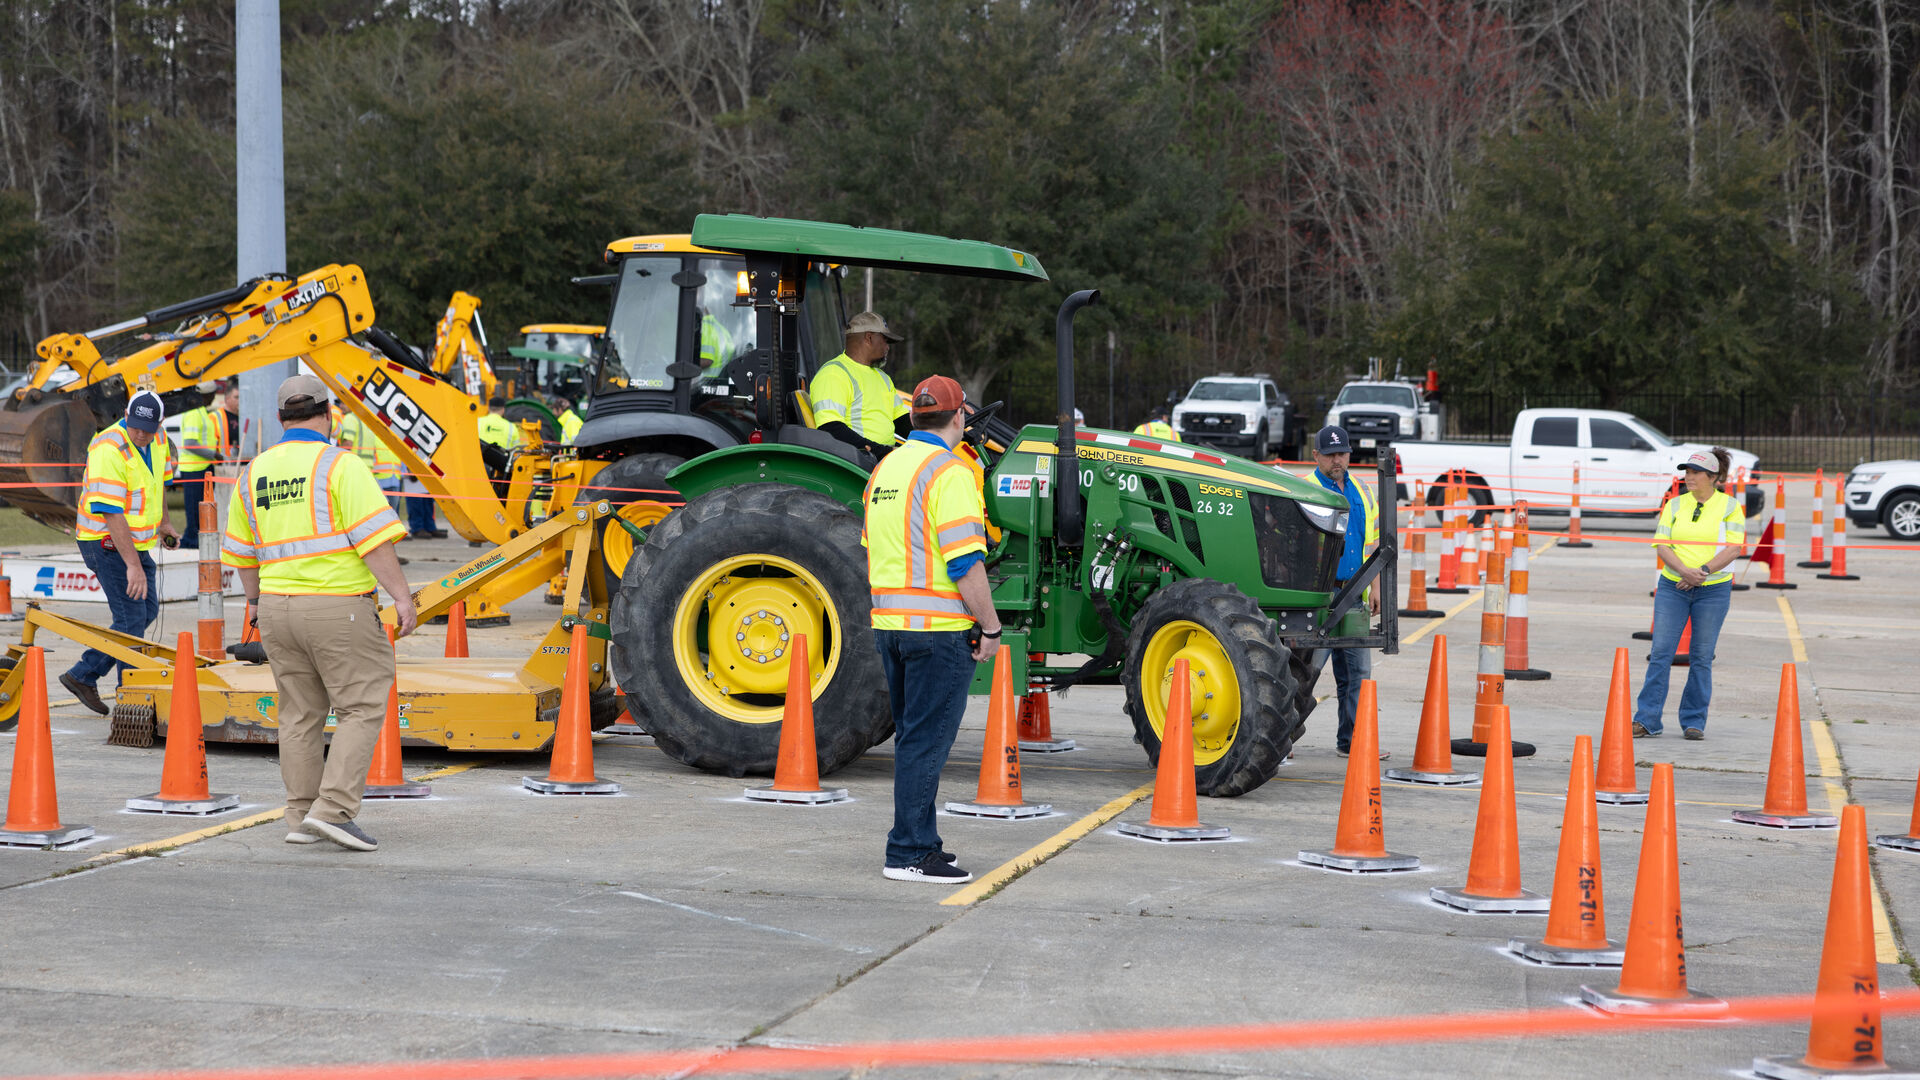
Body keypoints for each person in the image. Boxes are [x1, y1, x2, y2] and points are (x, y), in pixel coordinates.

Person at [221, 375, 417, 852]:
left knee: (300, 714)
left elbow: (244, 555)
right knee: (363, 705)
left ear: (281, 418)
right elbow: (373, 541)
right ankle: (333, 811)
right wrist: (403, 597)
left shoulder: (253, 472)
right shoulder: (340, 466)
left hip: (274, 608)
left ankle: (300, 815)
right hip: (337, 607)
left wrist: (254, 604)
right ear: (327, 414)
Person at [863, 374, 999, 884]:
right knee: (926, 743)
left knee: (914, 741)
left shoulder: (885, 470)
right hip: (938, 631)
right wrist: (990, 625)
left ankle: (924, 844)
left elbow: (876, 548)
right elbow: (966, 561)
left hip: (891, 628)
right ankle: (908, 854)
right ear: (959, 416)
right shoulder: (951, 472)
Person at [59, 391, 177, 715]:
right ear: (126, 414)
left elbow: (159, 483)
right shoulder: (108, 447)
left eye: (148, 429)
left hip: (133, 544)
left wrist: (164, 523)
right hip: (104, 541)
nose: (141, 434)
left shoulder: (159, 439)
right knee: (132, 619)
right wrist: (133, 566)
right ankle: (132, 704)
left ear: (160, 423)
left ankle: (83, 674)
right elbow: (111, 513)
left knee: (145, 612)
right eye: (136, 426)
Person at [1633, 448, 1744, 740]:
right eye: (1687, 472)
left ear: (1712, 477)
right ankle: (1647, 720)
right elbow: (1662, 544)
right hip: (1674, 586)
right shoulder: (1674, 505)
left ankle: (1694, 721)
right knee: (1660, 654)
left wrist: (1702, 572)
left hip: (1713, 589)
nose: (1688, 477)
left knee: (1701, 657)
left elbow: (1734, 547)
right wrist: (1685, 571)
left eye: (1695, 473)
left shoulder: (1731, 507)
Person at [1308, 425, 1384, 759]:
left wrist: (1376, 586)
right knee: (1305, 671)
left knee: (1358, 673)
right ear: (1316, 456)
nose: (1337, 460)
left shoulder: (1363, 492)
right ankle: (1281, 741)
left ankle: (1352, 741)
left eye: (1342, 453)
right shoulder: (1304, 488)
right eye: (1330, 454)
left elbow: (1373, 544)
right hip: (1317, 596)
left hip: (1355, 594)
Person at [811, 311, 910, 459]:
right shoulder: (833, 374)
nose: (887, 347)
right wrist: (882, 452)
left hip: (881, 456)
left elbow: (902, 422)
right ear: (869, 338)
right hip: (859, 459)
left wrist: (935, 438)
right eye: (885, 340)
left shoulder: (883, 378)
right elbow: (831, 428)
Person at [175, 381, 227, 547]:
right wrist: (214, 454)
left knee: (203, 509)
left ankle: (198, 539)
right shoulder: (194, 413)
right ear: (204, 395)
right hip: (194, 468)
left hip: (203, 467)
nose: (213, 398)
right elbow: (190, 443)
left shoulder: (201, 411)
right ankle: (191, 540)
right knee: (195, 510)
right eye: (212, 394)